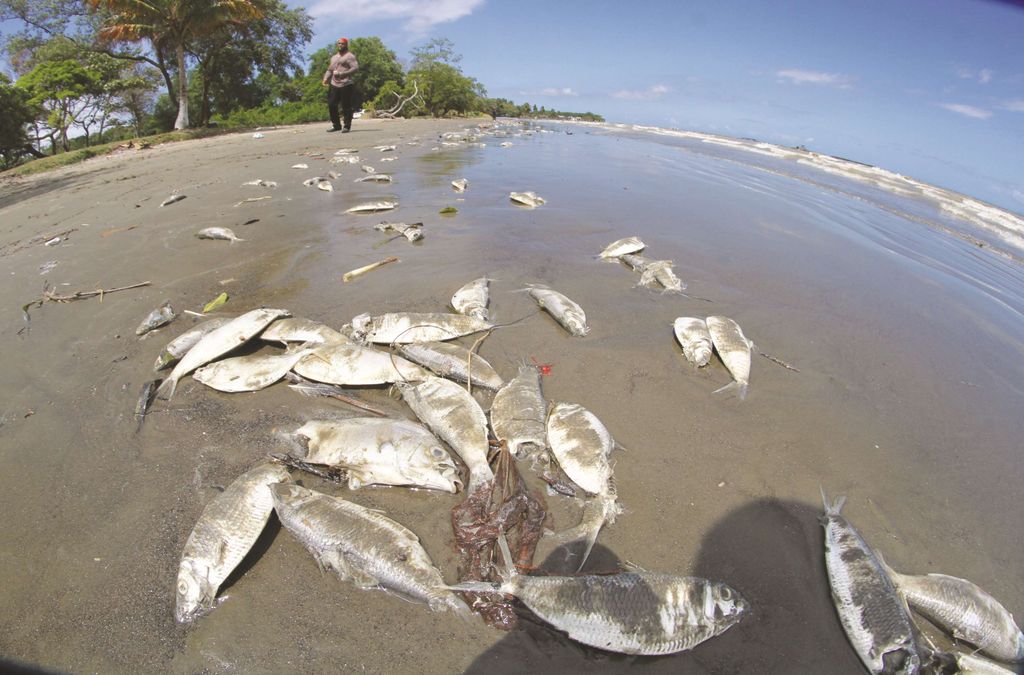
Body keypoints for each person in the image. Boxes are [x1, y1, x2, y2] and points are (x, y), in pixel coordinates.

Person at [322, 38, 359, 133]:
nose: (340, 45)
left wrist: (343, 74)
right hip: (334, 83)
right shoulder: (334, 57)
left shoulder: (350, 56)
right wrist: (326, 78)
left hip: (346, 84)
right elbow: (330, 69)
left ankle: (346, 126)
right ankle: (336, 125)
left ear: (346, 45)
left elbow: (355, 68)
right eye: (339, 43)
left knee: (346, 106)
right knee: (331, 104)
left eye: (342, 44)